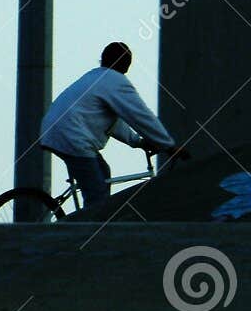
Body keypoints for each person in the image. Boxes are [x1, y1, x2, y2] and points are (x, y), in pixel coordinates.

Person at [39, 42, 180, 210]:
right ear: (126, 65)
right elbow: (141, 115)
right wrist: (168, 145)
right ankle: (87, 231)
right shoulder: (114, 81)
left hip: (60, 132)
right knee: (96, 194)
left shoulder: (96, 77)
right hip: (71, 136)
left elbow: (114, 122)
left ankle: (94, 221)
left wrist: (138, 142)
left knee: (103, 172)